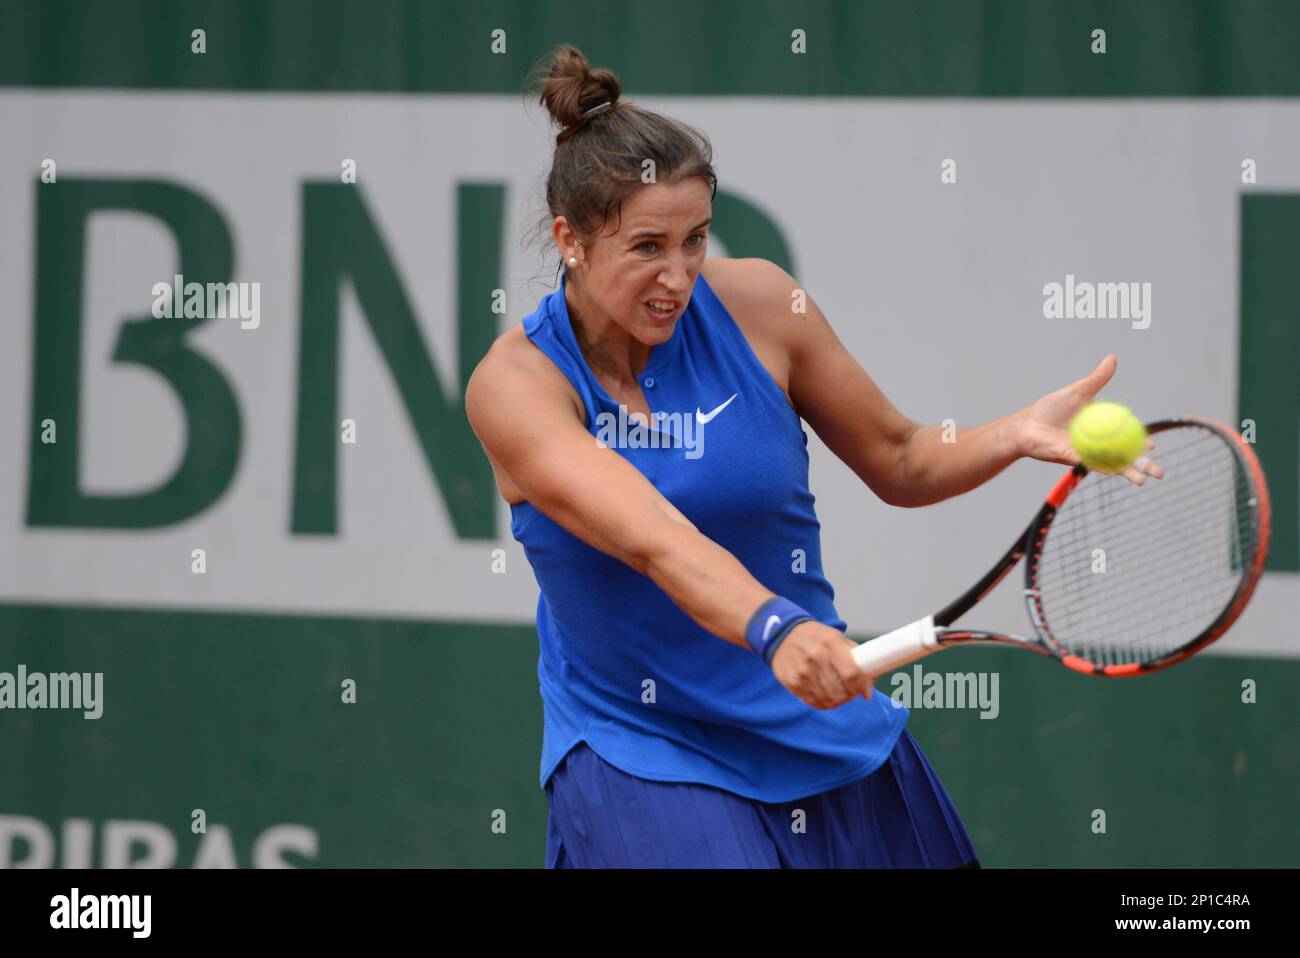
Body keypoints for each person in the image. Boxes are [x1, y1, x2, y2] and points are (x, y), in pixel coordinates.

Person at [465, 45, 1161, 868]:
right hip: (643, 750)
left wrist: (1008, 433)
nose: (679, 276)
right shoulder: (516, 384)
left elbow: (899, 456)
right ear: (570, 242)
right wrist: (774, 629)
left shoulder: (761, 304)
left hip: (825, 725)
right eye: (647, 247)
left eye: (695, 240)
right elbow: (654, 534)